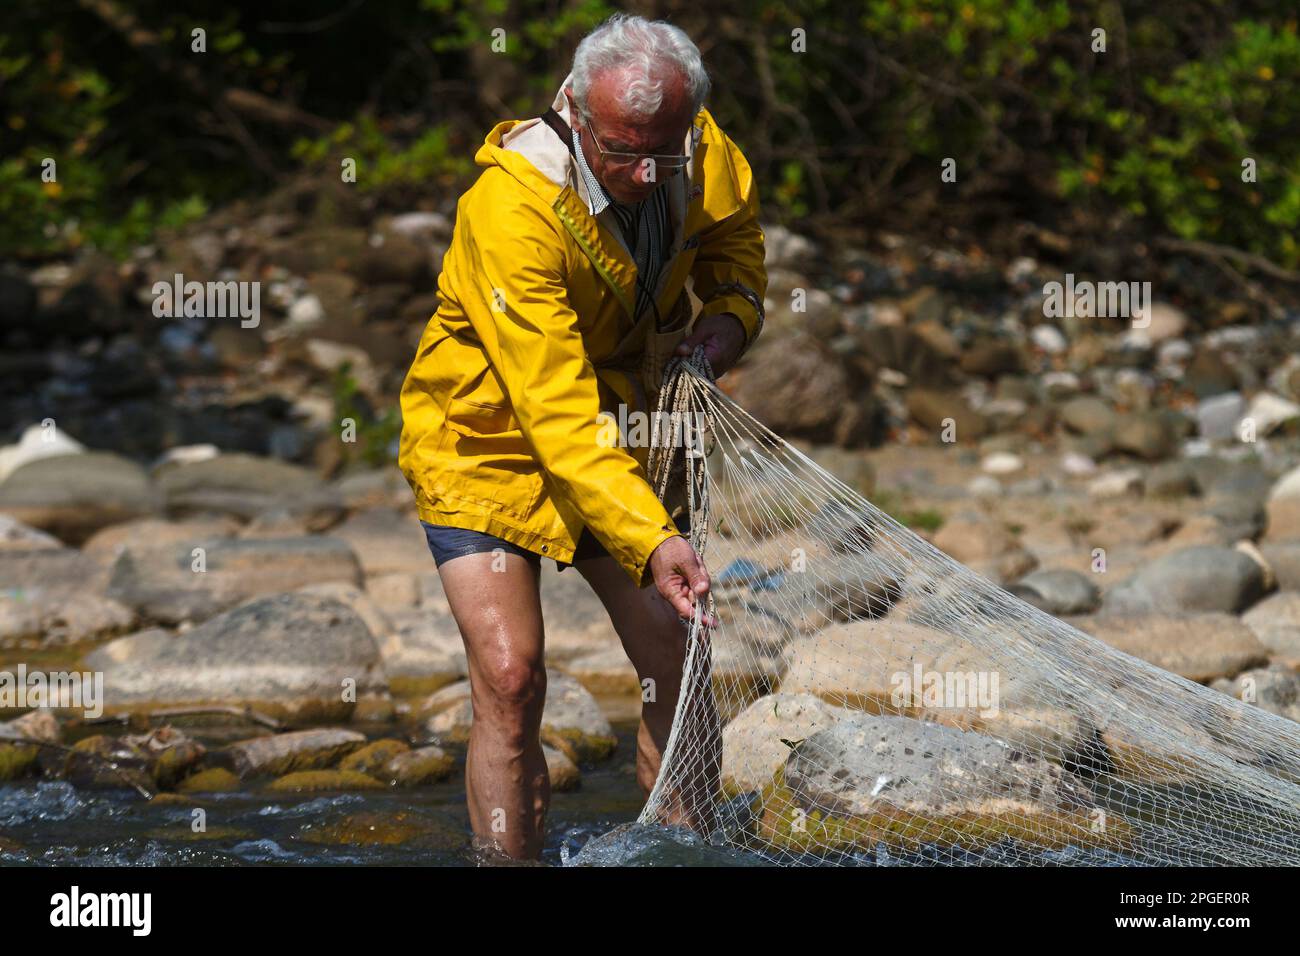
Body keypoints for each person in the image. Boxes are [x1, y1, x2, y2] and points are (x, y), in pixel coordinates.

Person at [397, 12, 767, 861]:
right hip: (485, 441)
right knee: (513, 677)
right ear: (572, 107)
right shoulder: (512, 206)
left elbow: (738, 256)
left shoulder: (698, 149)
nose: (645, 170)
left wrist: (725, 329)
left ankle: (682, 855)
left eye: (662, 151)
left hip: (622, 427)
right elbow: (554, 410)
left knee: (677, 655)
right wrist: (654, 538)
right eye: (621, 150)